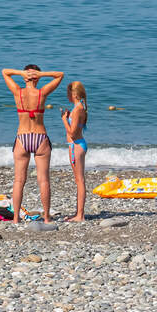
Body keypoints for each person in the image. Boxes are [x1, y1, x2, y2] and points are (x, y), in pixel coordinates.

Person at [2, 64, 63, 223]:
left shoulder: (18, 92)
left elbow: (5, 72)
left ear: (25, 77)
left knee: (19, 181)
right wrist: (41, 74)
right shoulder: (42, 93)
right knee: (43, 180)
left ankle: (15, 218)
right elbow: (60, 75)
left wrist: (21, 73)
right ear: (37, 77)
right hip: (40, 137)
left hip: (22, 138)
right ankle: (47, 218)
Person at [60, 80, 89, 222]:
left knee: (79, 181)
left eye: (68, 93)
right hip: (77, 145)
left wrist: (64, 119)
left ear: (74, 94)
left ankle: (80, 215)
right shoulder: (79, 108)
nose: (67, 95)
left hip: (76, 146)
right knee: (79, 180)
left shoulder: (78, 109)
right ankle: (78, 213)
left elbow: (72, 132)